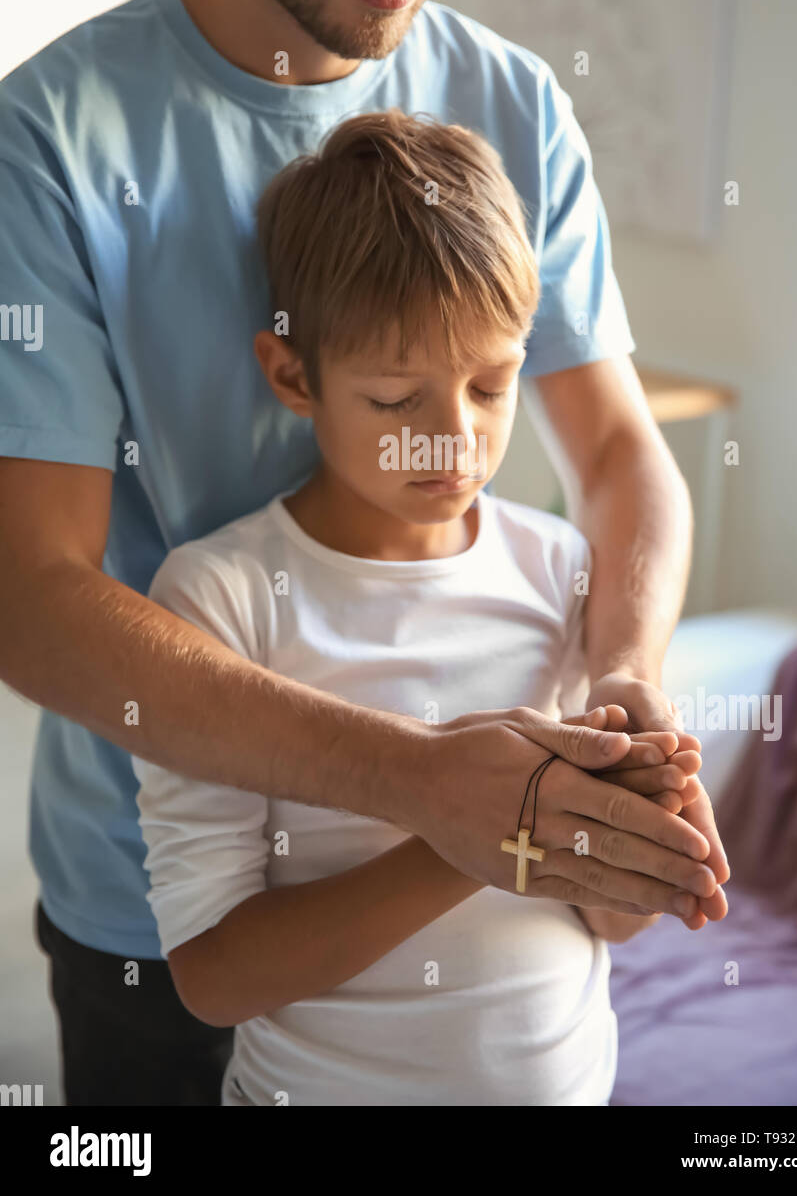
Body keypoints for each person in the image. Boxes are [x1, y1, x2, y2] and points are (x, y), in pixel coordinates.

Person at [0, 0, 727, 1106]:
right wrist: (426, 790)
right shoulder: (52, 140)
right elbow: (27, 596)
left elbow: (618, 454)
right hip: (159, 895)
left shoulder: (513, 101)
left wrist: (617, 683)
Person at [131, 109, 721, 1107]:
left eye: (490, 386)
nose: (451, 439)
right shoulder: (218, 602)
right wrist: (473, 832)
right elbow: (216, 976)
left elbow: (605, 921)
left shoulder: (560, 571)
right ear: (293, 375)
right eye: (398, 400)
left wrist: (649, 844)